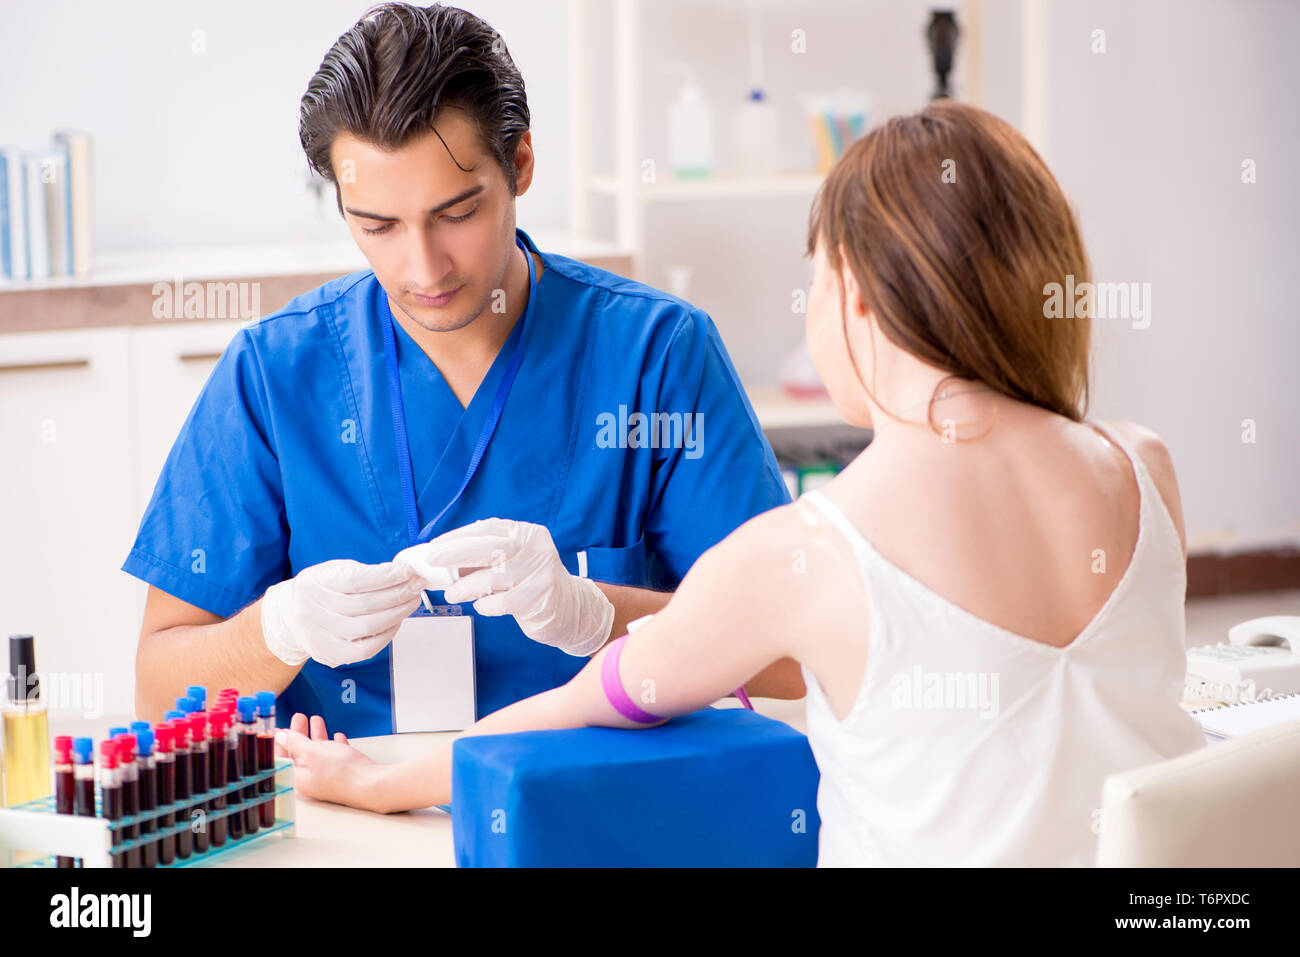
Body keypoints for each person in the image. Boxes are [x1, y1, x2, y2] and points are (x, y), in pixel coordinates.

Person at [278, 99, 1206, 866]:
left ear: (858, 299)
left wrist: (382, 778)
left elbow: (586, 706)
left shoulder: (812, 549)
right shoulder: (1143, 464)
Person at [125, 3, 799, 736]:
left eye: (456, 212)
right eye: (377, 225)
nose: (423, 267)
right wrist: (276, 629)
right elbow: (158, 688)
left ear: (521, 164)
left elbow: (789, 651)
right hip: (353, 814)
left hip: (590, 807)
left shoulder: (656, 356)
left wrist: (592, 611)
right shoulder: (274, 375)